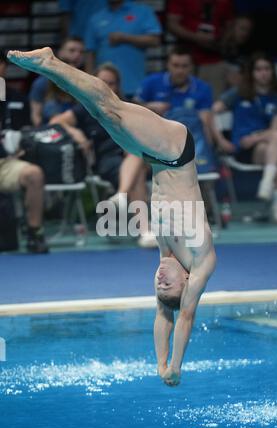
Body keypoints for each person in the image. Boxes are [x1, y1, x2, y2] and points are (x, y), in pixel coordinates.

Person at [7, 47, 216, 386]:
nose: (160, 281)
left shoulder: (167, 259)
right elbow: (184, 315)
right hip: (176, 151)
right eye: (168, 286)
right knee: (110, 107)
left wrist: (159, 364)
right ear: (187, 283)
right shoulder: (200, 257)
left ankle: (50, 69)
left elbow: (164, 312)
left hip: (154, 158)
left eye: (158, 286)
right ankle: (48, 62)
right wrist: (176, 366)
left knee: (100, 112)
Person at [50, 62, 156, 247]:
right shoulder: (84, 108)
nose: (107, 86)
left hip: (134, 156)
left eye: (112, 83)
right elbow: (55, 122)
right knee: (137, 171)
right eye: (102, 81)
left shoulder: (128, 107)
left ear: (118, 86)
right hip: (106, 162)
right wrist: (75, 132)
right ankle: (144, 230)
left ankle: (122, 197)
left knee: (136, 157)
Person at [212, 52, 277, 224]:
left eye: (267, 69)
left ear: (272, 71)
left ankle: (269, 185)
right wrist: (220, 140)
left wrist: (255, 138)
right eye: (259, 69)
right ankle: (276, 199)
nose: (263, 73)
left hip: (265, 148)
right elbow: (211, 113)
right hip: (242, 149)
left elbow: (275, 129)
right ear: (252, 73)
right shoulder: (238, 93)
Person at [134, 46, 216, 173]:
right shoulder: (151, 82)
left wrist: (210, 151)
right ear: (168, 65)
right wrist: (151, 107)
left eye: (184, 66)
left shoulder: (202, 88)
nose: (180, 70)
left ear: (191, 67)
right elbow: (133, 110)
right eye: (176, 65)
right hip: (157, 143)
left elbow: (206, 123)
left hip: (191, 144)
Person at [0, 51, 48, 253]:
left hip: (6, 163)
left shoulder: (18, 99)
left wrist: (22, 147)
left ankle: (34, 233)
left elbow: (28, 133)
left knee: (34, 174)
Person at [84, 0, 162, 99]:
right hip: (104, 91)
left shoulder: (143, 11)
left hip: (135, 88)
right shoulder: (95, 18)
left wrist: (125, 38)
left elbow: (155, 40)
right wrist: (89, 84)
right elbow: (89, 52)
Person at [167, 0, 234, 99]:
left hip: (213, 59)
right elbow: (171, 23)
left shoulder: (224, 2)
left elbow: (230, 25)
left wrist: (219, 42)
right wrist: (196, 37)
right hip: (184, 55)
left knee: (213, 100)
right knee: (179, 99)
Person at [29, 36, 85, 126]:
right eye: (72, 50)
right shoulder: (42, 83)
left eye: (81, 52)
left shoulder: (86, 82)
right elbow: (36, 116)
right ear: (60, 53)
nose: (77, 55)